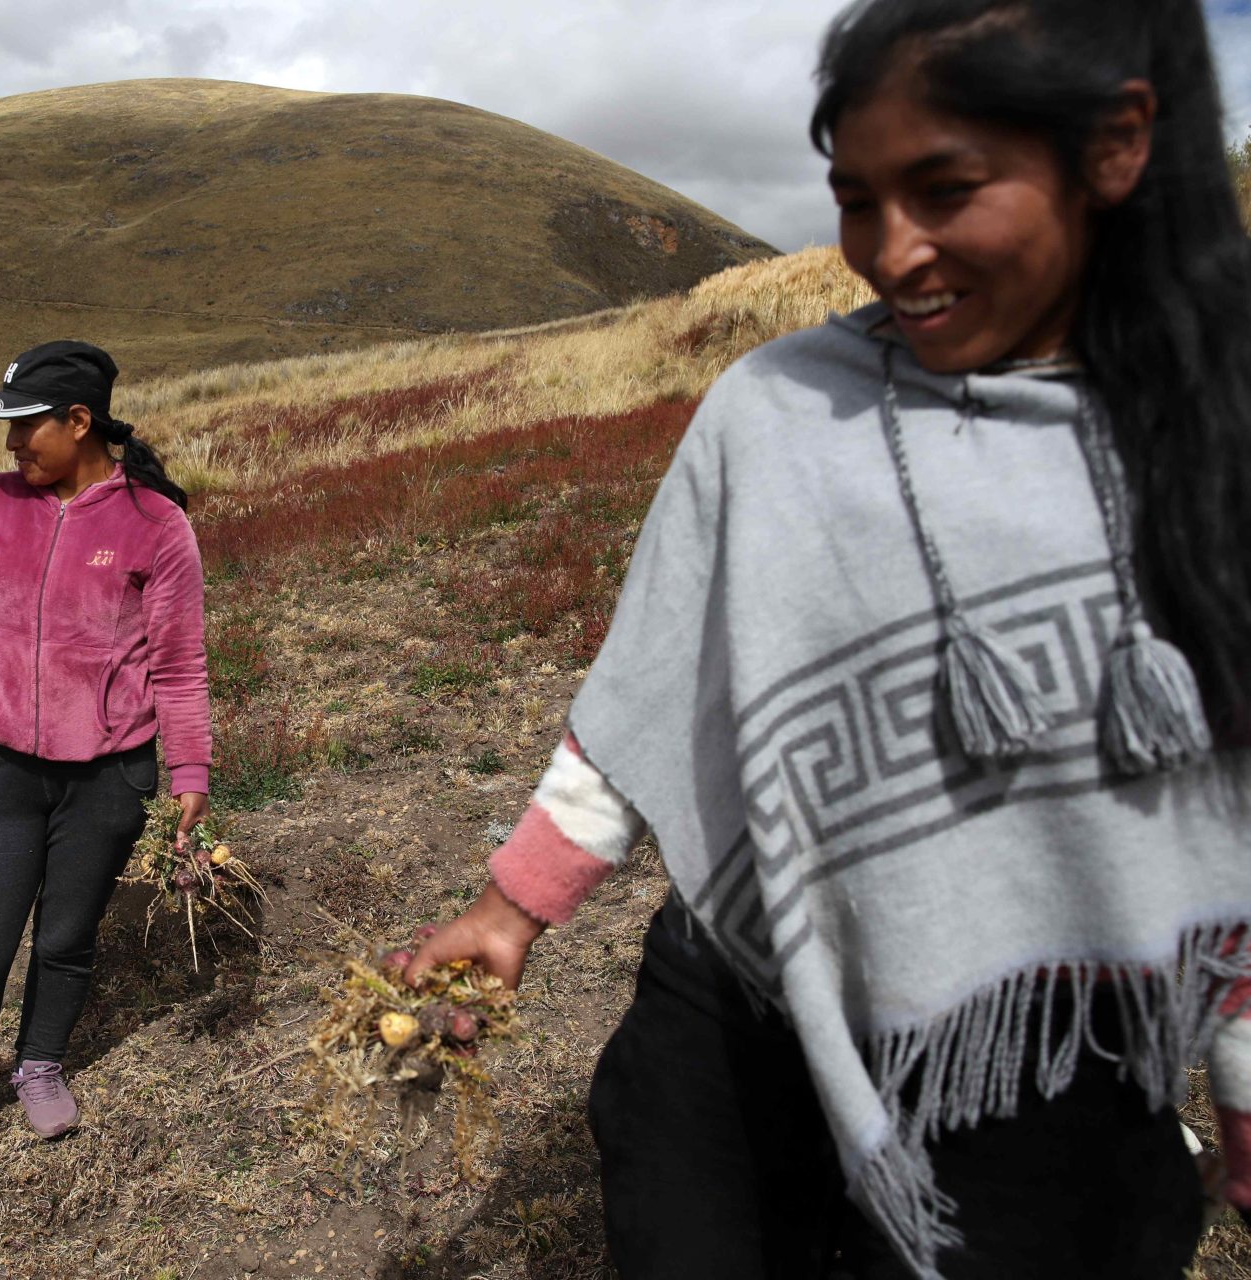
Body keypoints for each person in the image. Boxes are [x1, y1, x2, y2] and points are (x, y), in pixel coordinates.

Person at [406, 1, 1251, 1276]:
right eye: (858, 198)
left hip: (1046, 1066)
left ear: (1120, 143)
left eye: (945, 188)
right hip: (736, 1025)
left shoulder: (1215, 449)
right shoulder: (776, 411)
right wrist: (512, 908)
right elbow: (656, 676)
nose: (892, 253)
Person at [0, 340, 211, 1206]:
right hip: (3, 768)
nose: (11, 448)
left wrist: (190, 769)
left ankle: (39, 1064)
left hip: (109, 775)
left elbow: (180, 665)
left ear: (81, 423)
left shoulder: (156, 525)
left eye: (25, 428)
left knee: (69, 937)